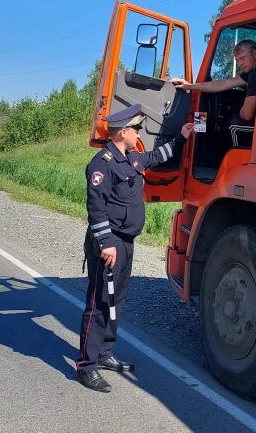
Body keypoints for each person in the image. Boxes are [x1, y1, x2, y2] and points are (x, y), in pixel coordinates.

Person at [77, 103, 194, 392]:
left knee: (117, 301)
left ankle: (104, 354)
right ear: (123, 132)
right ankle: (86, 366)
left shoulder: (130, 159)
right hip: (110, 243)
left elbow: (156, 156)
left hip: (125, 243)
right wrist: (105, 243)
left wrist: (181, 137)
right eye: (137, 129)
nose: (139, 132)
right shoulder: (102, 163)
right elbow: (96, 208)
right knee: (100, 302)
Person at [171, 39, 256, 123]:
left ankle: (198, 131)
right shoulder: (253, 71)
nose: (240, 63)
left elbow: (246, 115)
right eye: (237, 60)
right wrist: (190, 86)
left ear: (255, 53)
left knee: (230, 122)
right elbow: (224, 83)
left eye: (242, 58)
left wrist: (238, 112)